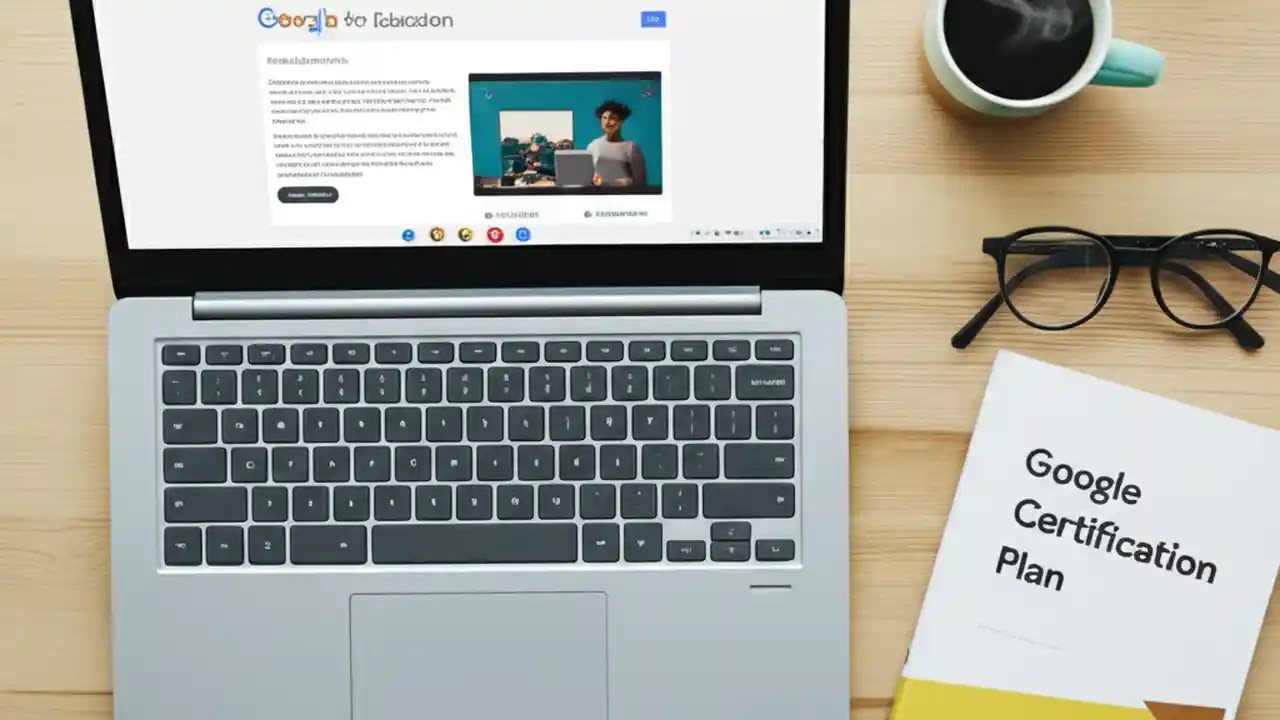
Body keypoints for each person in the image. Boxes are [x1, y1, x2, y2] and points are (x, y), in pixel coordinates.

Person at [586, 100, 647, 188]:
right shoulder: (593, 146)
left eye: (612, 118)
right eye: (604, 118)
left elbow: (640, 182)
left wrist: (624, 183)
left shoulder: (631, 147)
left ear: (620, 122)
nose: (607, 122)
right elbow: (588, 178)